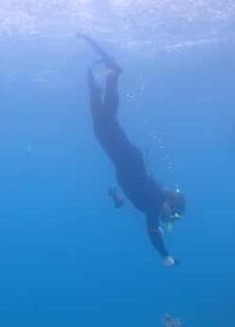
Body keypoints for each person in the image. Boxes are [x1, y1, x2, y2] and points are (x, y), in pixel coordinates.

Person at [79, 34, 186, 267]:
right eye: (173, 215)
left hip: (126, 160)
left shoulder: (154, 201)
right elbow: (153, 230)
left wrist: (115, 197)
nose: (169, 219)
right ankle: (110, 75)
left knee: (105, 121)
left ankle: (109, 76)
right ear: (170, 204)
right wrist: (165, 256)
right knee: (104, 124)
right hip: (127, 159)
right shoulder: (156, 201)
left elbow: (130, 198)